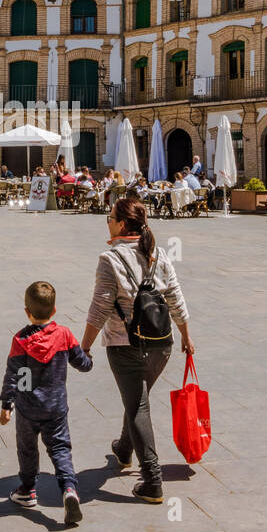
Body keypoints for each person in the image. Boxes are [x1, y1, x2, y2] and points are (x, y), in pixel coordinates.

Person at [82, 196, 192, 503]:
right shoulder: (158, 254)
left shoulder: (110, 259)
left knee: (137, 405)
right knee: (137, 399)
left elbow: (100, 307)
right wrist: (186, 335)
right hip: (162, 344)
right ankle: (123, 449)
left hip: (125, 345)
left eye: (109, 216)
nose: (106, 220)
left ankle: (152, 481)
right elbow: (175, 297)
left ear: (120, 224)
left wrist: (85, 346)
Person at [0, 281, 92, 524]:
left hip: (28, 408)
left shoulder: (21, 340)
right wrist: (88, 359)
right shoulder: (64, 335)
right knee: (60, 449)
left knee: (27, 449)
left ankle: (27, 490)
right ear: (54, 311)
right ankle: (69, 489)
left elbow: (15, 374)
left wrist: (7, 403)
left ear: (27, 312)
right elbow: (81, 362)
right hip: (56, 407)